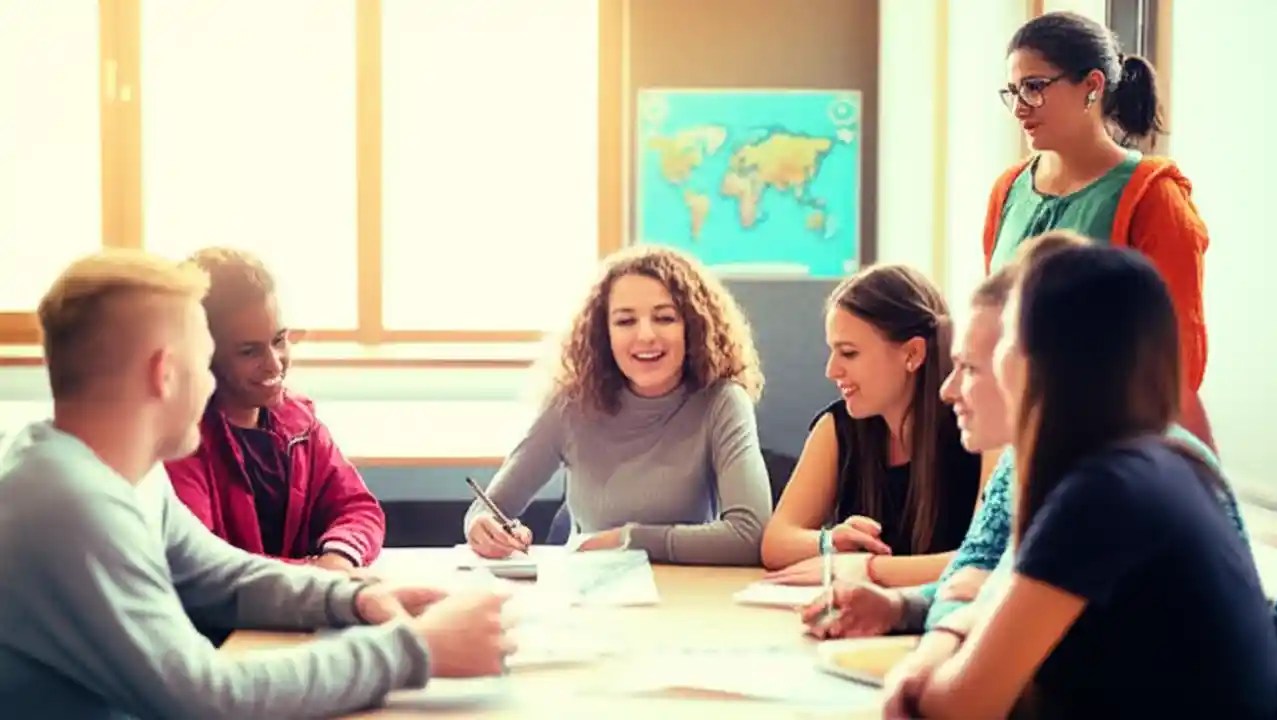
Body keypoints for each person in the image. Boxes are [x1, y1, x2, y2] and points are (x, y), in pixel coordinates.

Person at [0, 250, 511, 718]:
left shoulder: (124, 474)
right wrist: (417, 650)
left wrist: (350, 597)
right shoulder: (71, 506)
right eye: (204, 363)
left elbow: (225, 577)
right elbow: (207, 697)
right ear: (166, 373)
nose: (211, 384)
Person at [885, 246, 1277, 719]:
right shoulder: (1159, 465)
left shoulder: (1104, 492)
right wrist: (967, 618)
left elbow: (956, 708)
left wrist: (932, 650)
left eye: (1007, 334)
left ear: (1043, 358)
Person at [802, 232, 1246, 642]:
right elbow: (968, 576)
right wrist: (904, 604)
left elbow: (963, 676)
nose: (947, 389)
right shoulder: (1027, 460)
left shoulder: (1109, 486)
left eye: (972, 367)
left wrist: (966, 604)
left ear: (1034, 365)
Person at [984, 10, 1214, 447]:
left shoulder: (1153, 197)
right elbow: (991, 322)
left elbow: (1179, 358)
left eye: (1034, 88)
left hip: (1109, 445)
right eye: (1013, 91)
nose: (1018, 108)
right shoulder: (1007, 190)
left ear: (1092, 86)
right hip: (1016, 443)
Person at [464, 245, 772, 566]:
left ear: (692, 326)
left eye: (665, 318)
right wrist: (482, 527)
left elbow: (750, 535)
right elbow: (488, 506)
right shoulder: (570, 403)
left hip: (685, 592)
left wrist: (628, 539)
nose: (646, 335)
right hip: (590, 592)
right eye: (625, 321)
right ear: (603, 333)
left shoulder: (721, 401)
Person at [165, 247, 384, 572]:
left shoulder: (300, 423)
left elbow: (357, 507)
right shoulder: (179, 441)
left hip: (297, 611)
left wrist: (340, 556)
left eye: (279, 340)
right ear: (202, 353)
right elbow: (204, 565)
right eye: (249, 351)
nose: (273, 363)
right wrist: (315, 576)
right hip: (227, 620)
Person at [760, 264, 980, 588]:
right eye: (832, 351)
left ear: (912, 353)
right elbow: (776, 542)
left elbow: (984, 565)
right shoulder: (837, 429)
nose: (831, 370)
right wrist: (830, 542)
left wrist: (864, 569)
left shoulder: (978, 431)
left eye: (848, 353)